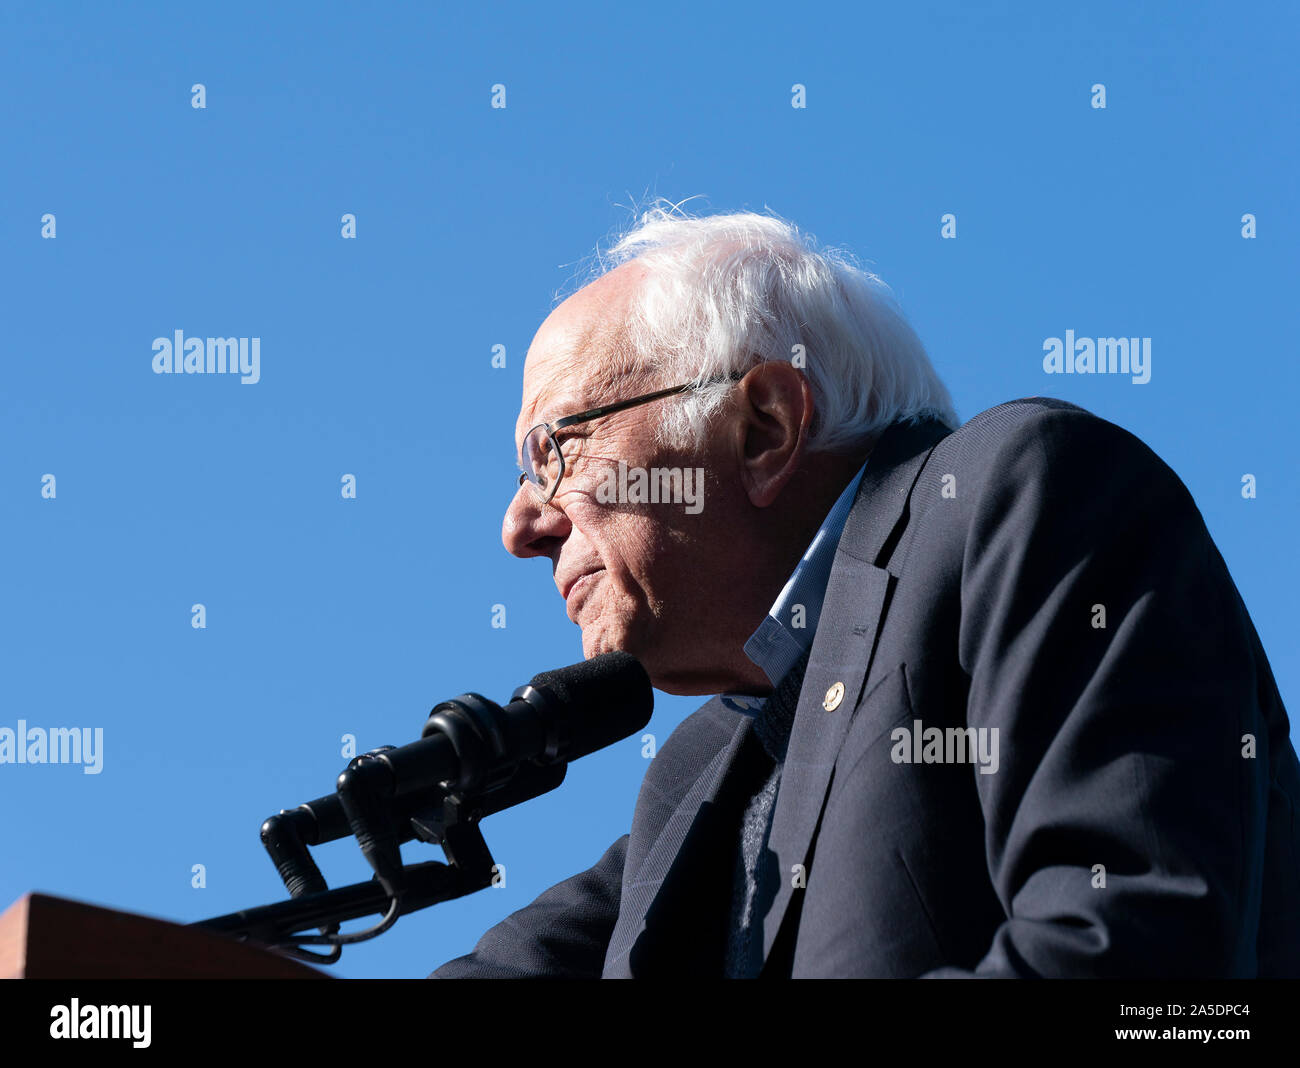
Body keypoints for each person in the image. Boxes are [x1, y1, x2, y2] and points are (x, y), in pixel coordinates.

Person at [430, 206, 1299, 978]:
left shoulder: (1020, 496)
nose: (520, 526)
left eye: (555, 451)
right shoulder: (702, 764)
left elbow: (1137, 940)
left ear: (765, 428)